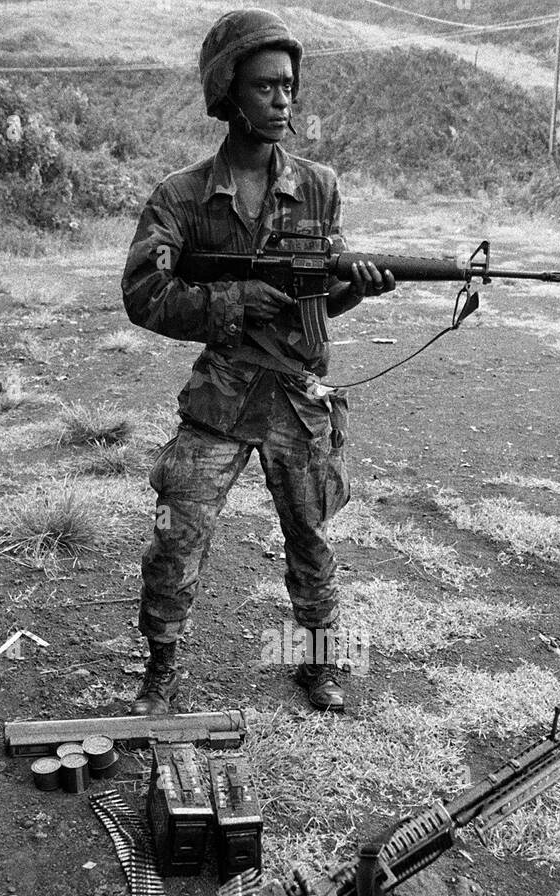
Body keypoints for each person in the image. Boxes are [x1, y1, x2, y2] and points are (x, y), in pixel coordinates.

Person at [121, 8, 394, 716]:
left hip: (298, 395)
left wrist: (352, 291)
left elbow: (314, 303)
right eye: (266, 86)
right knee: (177, 532)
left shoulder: (318, 186)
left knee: (309, 536)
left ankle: (317, 661)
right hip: (223, 392)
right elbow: (145, 294)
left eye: (289, 87)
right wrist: (234, 300)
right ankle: (161, 666)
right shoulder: (180, 197)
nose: (281, 101)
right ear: (227, 93)